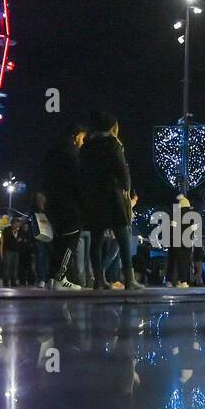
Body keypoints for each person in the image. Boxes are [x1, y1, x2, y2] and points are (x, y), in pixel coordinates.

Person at [80, 112, 143, 290]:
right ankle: (130, 280)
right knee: (122, 237)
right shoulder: (113, 144)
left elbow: (82, 173)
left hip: (94, 197)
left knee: (96, 239)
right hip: (112, 196)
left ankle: (98, 280)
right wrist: (125, 186)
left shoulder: (87, 146)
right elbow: (122, 169)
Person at [40, 122, 86, 290]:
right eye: (82, 138)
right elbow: (77, 180)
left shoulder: (53, 153)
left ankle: (51, 278)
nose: (83, 142)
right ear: (75, 137)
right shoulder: (72, 155)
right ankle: (60, 276)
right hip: (69, 204)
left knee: (59, 240)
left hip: (53, 202)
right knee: (70, 241)